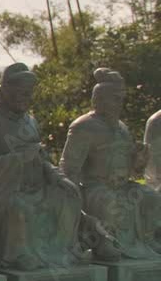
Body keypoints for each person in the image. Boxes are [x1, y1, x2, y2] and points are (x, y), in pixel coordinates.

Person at [0, 63, 87, 270]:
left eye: (29, 92)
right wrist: (18, 158)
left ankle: (64, 251)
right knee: (18, 207)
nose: (26, 96)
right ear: (5, 90)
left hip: (36, 188)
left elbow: (41, 159)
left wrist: (57, 176)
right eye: (20, 91)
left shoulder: (30, 122)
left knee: (67, 197)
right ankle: (18, 254)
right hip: (3, 192)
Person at [60, 68, 161, 261]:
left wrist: (138, 161)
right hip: (95, 187)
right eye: (114, 99)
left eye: (120, 99)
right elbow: (69, 167)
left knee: (151, 197)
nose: (119, 104)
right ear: (98, 99)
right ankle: (105, 242)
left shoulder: (122, 128)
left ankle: (148, 239)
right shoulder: (83, 127)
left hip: (123, 186)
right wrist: (74, 197)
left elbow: (133, 170)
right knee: (108, 202)